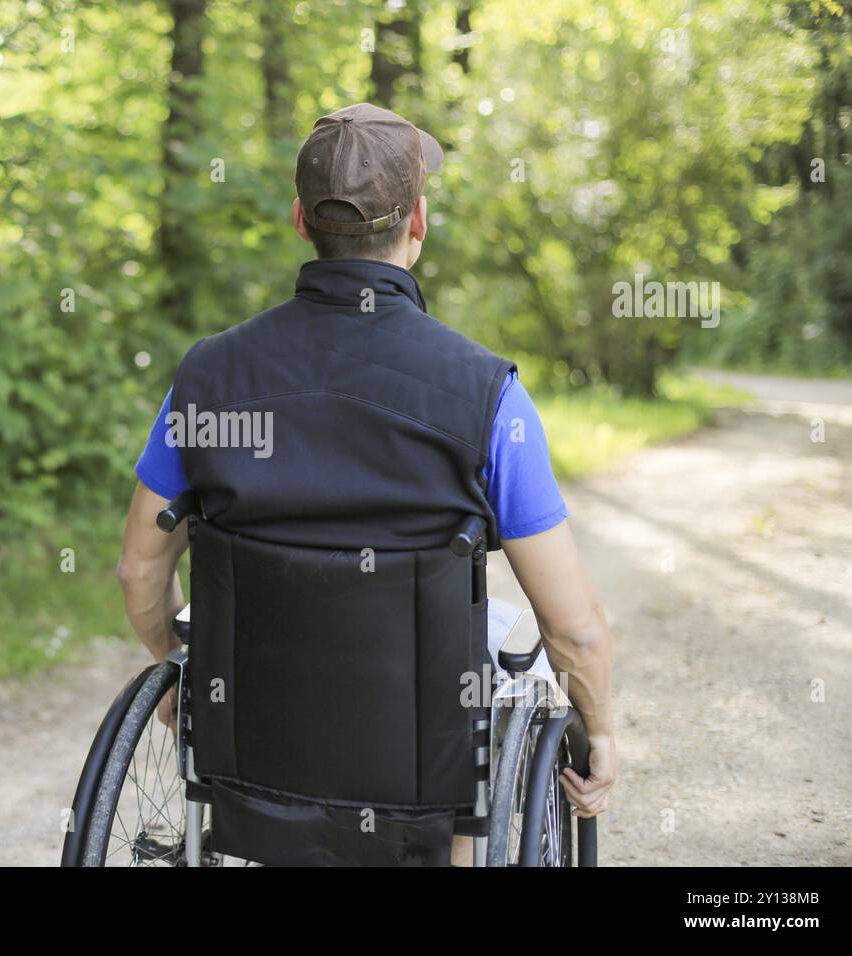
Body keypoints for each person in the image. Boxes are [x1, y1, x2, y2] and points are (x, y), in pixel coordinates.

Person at [115, 103, 615, 864]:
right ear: (417, 220)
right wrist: (600, 731)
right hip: (421, 765)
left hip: (250, 751)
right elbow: (573, 630)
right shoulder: (486, 394)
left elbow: (139, 569)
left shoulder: (207, 378)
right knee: (497, 653)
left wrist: (178, 673)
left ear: (299, 220)